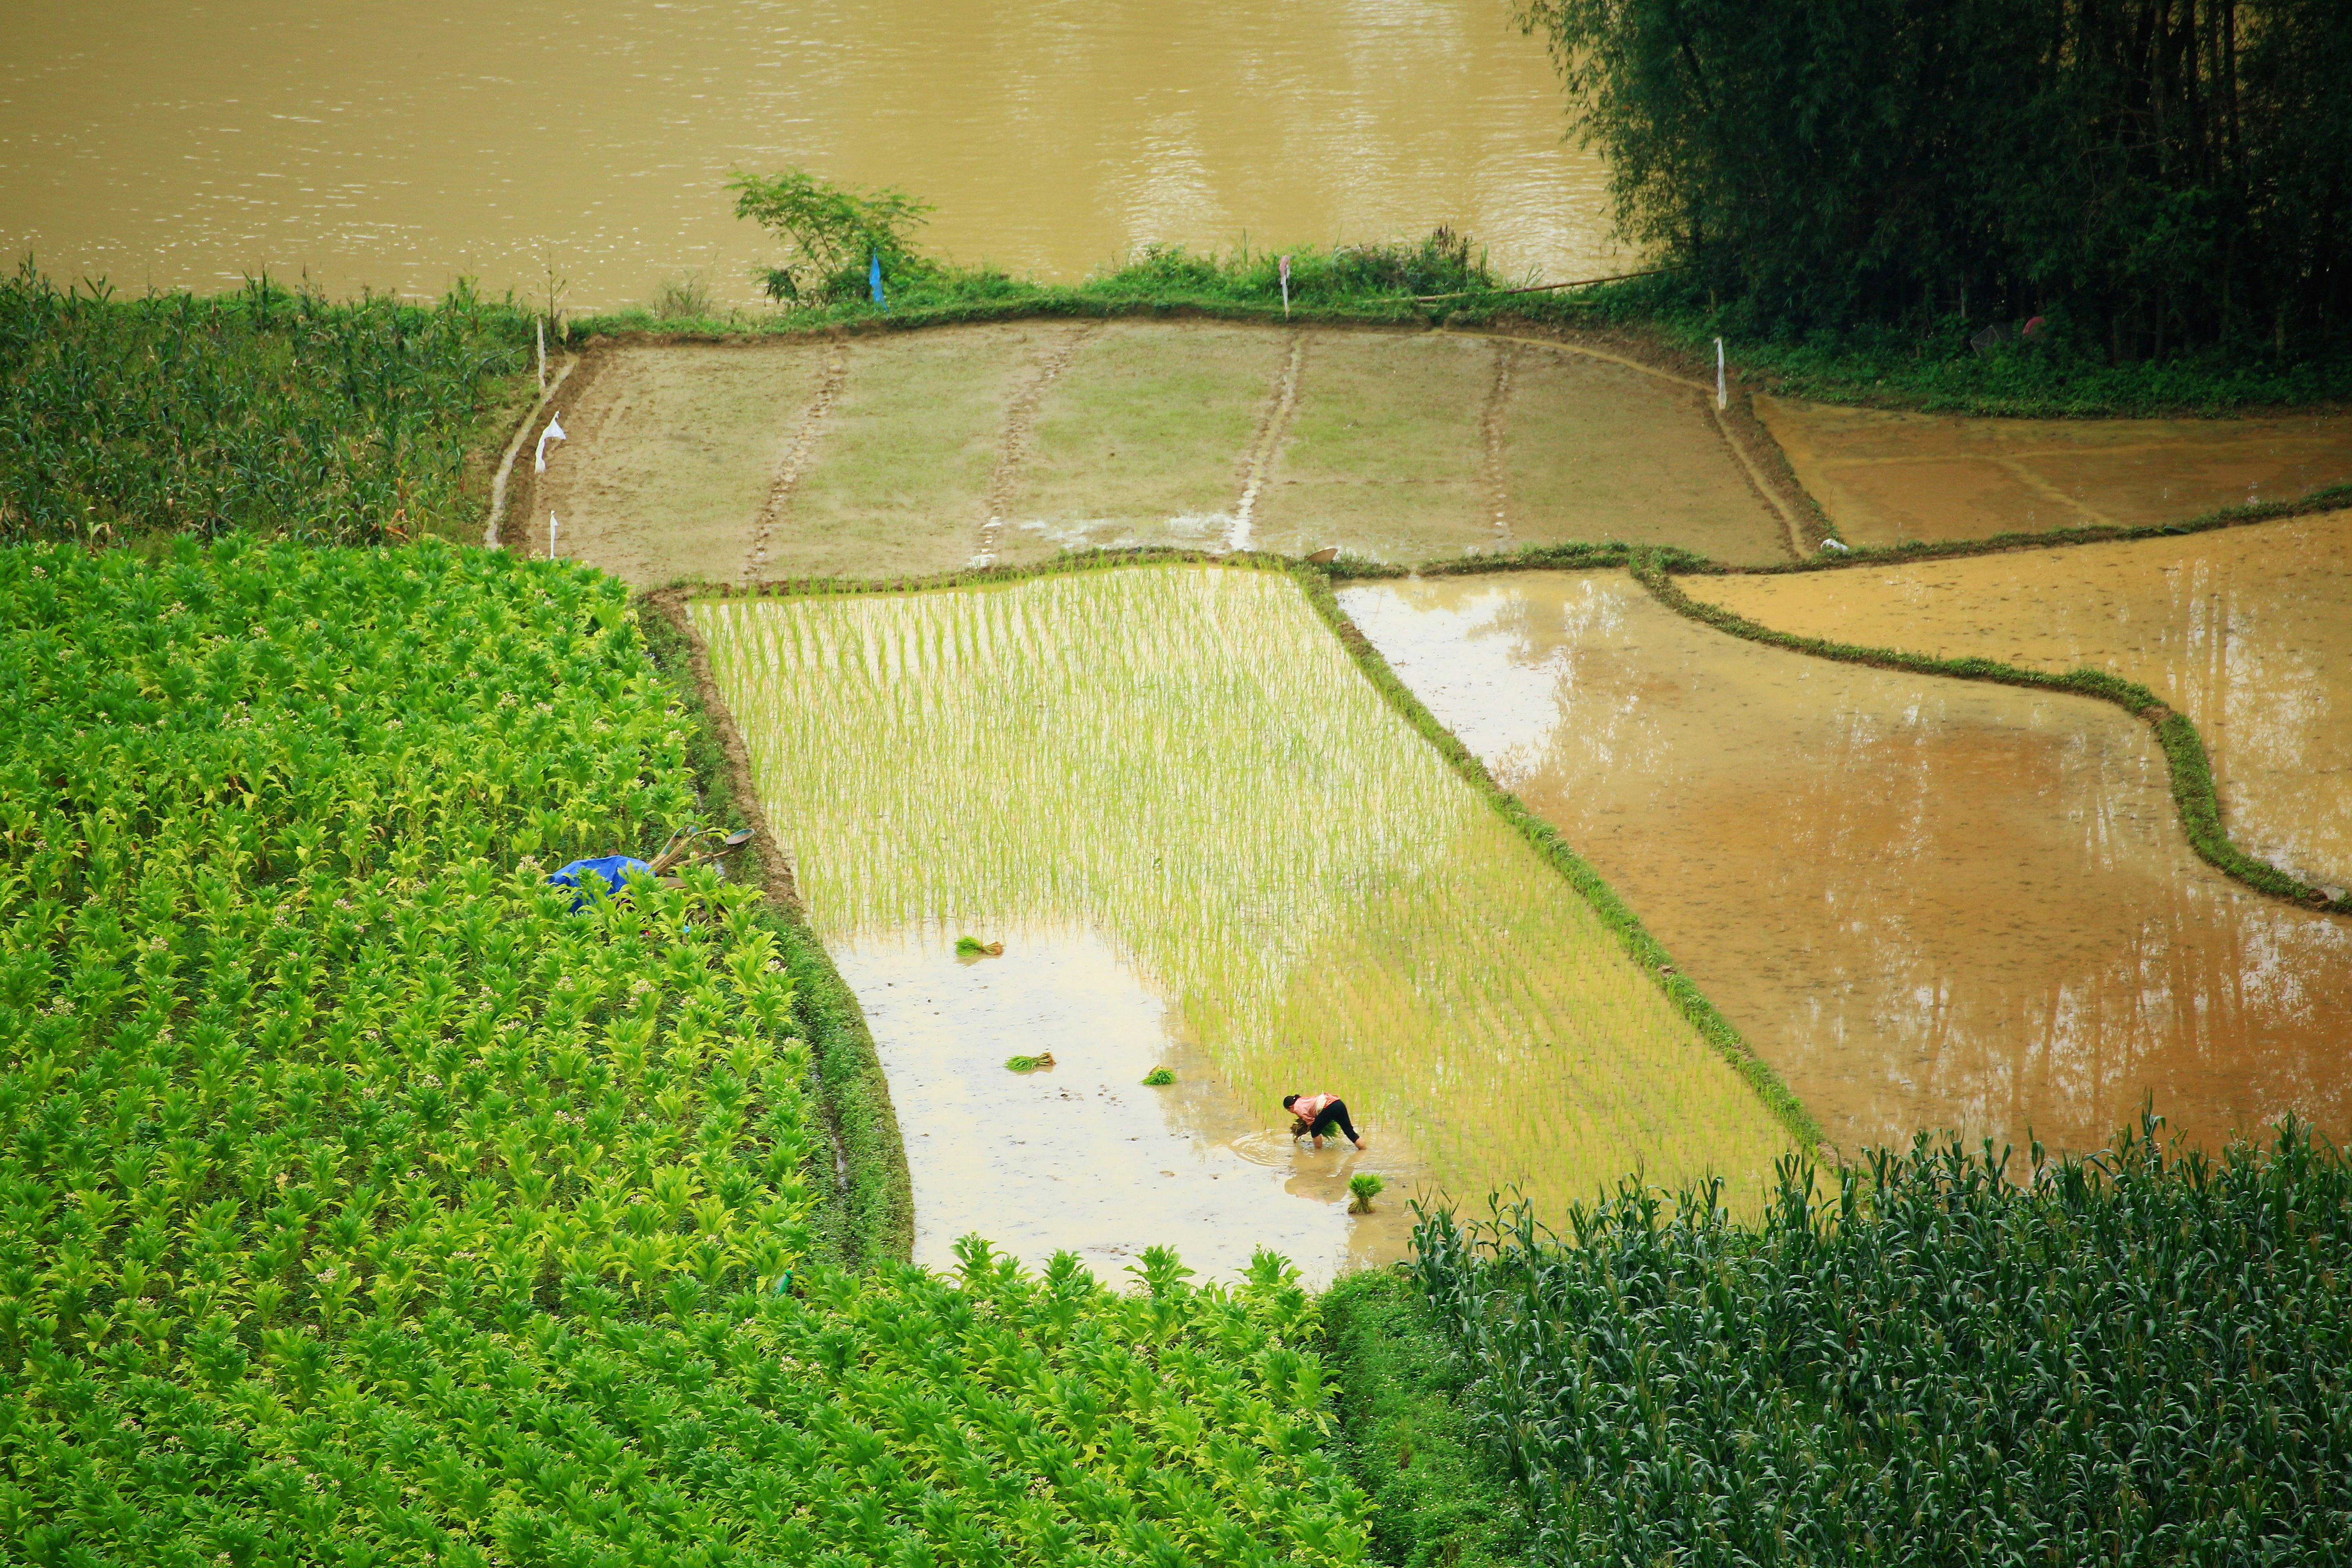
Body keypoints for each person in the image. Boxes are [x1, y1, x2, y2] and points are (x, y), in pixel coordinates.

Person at [1282, 1092, 1365, 1151]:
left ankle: (1318, 1153)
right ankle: (1364, 1149)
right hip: (1339, 1103)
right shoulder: (1302, 1100)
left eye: (1290, 1111)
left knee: (1315, 1130)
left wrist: (1302, 1132)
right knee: (1349, 1132)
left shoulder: (1297, 1107)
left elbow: (1311, 1123)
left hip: (1329, 1107)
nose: (1292, 1112)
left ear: (1290, 1107)